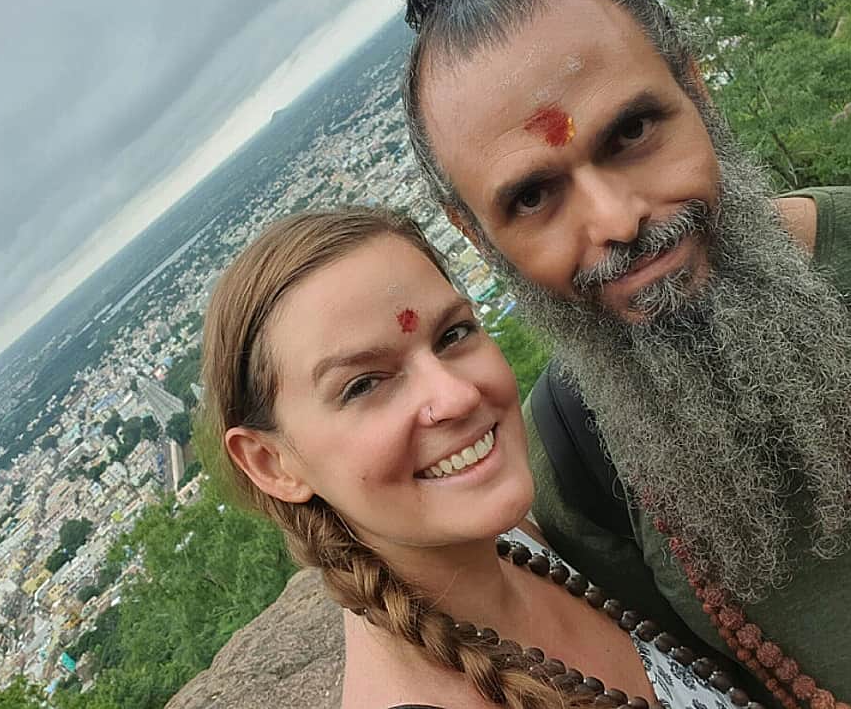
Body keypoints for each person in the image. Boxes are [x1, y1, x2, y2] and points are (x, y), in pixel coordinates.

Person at [397, 0, 851, 709]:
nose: (617, 222)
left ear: (695, 87)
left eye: (631, 133)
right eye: (533, 197)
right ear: (476, 233)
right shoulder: (576, 466)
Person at [200, 208, 758, 709]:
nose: (457, 395)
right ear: (272, 464)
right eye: (364, 384)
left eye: (453, 334)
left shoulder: (514, 543)